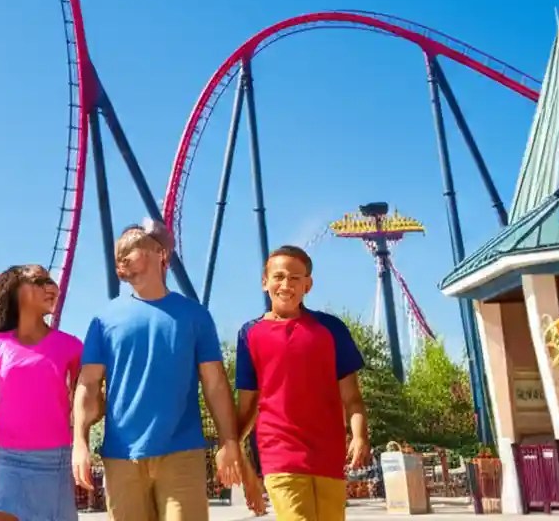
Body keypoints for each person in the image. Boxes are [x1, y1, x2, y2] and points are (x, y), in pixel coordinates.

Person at [72, 219, 244, 521]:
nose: (122, 258)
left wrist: (229, 441)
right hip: (121, 455)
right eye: (119, 253)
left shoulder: (195, 316)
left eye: (132, 247)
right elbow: (87, 385)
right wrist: (79, 443)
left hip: (182, 452)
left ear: (160, 254)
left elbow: (215, 383)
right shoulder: (104, 320)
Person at [235, 245, 370, 521]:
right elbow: (248, 406)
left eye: (295, 278)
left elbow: (352, 398)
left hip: (329, 456)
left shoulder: (332, 329)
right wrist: (233, 449)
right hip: (279, 453)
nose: (286, 284)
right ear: (265, 282)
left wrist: (360, 436)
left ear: (307, 285)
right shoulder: (249, 334)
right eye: (279, 276)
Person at [0, 264, 83, 521]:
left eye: (51, 281)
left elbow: (83, 407)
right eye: (40, 281)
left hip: (55, 462)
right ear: (16, 291)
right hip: (6, 461)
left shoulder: (72, 347)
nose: (51, 287)